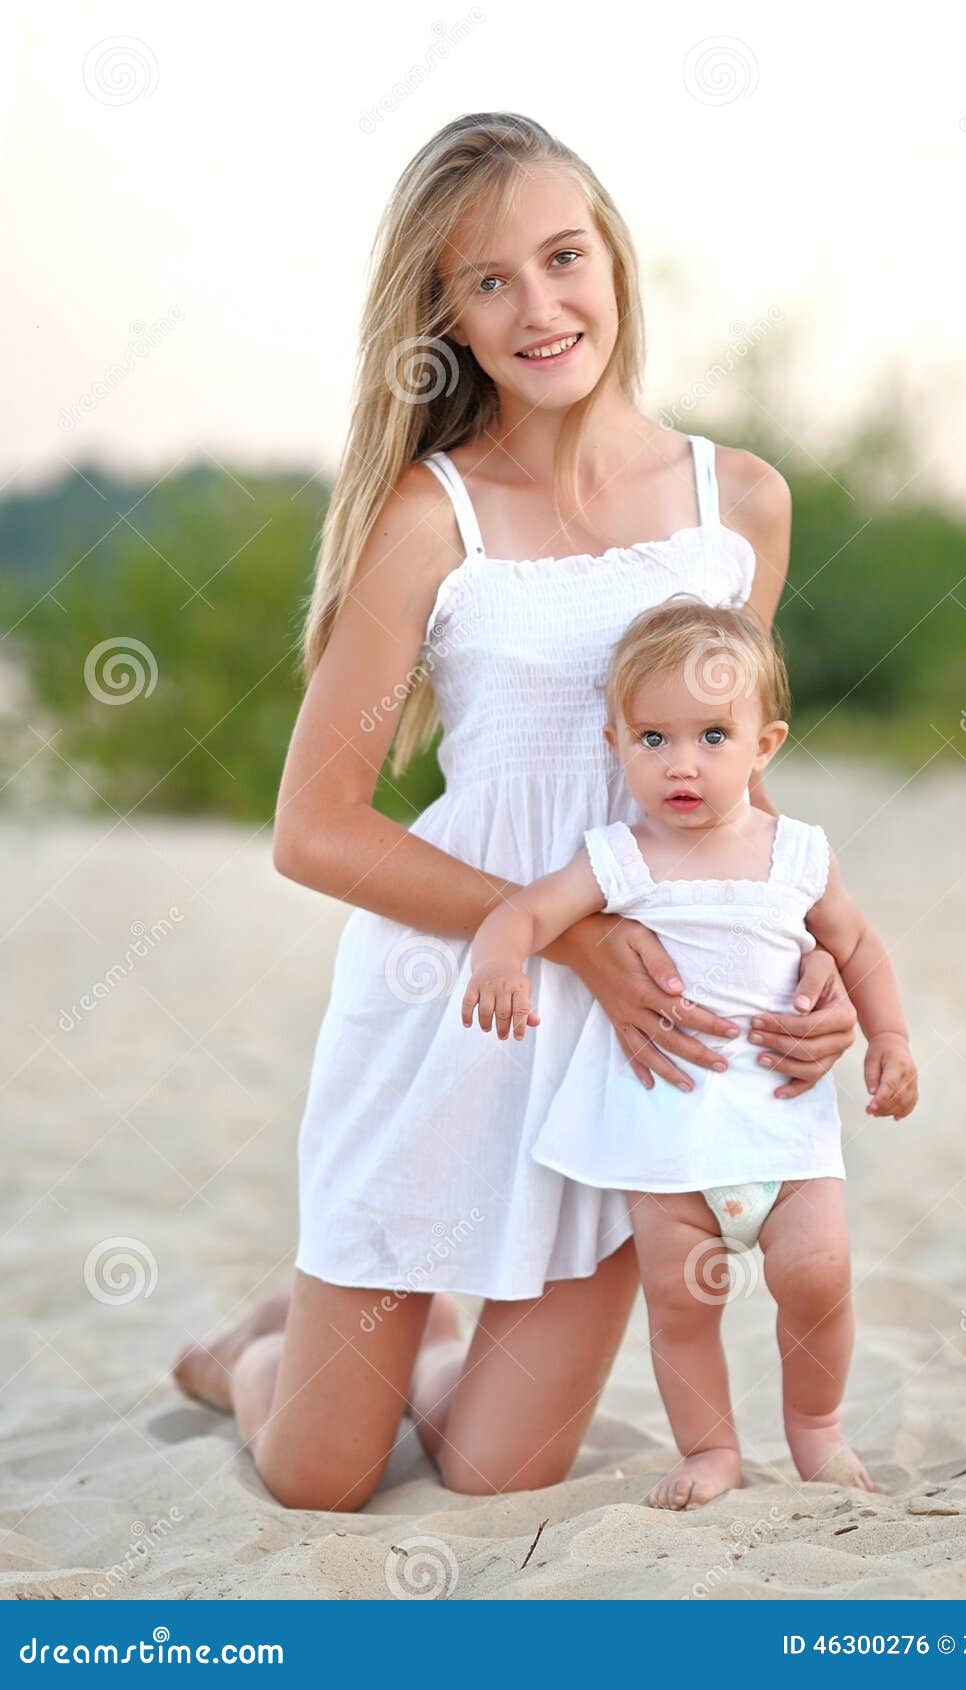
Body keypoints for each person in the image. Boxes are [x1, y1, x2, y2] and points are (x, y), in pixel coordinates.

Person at [173, 111, 858, 1513]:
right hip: (451, 994)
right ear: (446, 317)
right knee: (318, 1474)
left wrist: (820, 953)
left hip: (627, 1037)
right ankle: (254, 1352)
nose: (539, 305)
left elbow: (718, 779)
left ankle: (410, 1334)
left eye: (562, 256)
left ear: (612, 257)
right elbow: (315, 826)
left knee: (491, 1470)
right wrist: (555, 936)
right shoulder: (430, 517)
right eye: (488, 280)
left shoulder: (740, 504)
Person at [462, 596, 918, 1509]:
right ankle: (710, 1448)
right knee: (679, 1299)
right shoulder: (620, 858)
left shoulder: (795, 854)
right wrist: (500, 958)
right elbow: (525, 912)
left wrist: (889, 1036)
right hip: (667, 1136)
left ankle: (815, 1427)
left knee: (816, 1273)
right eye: (653, 739)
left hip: (782, 1125)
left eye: (713, 735)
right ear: (616, 744)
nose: (683, 764)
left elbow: (857, 945)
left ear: (765, 744)